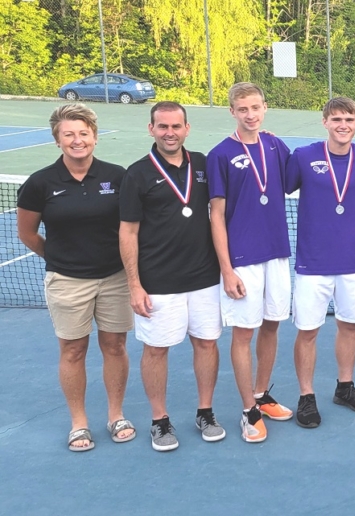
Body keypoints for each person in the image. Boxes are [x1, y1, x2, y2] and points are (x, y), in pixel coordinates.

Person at [16, 103, 134, 451]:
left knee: (115, 346)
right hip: (67, 282)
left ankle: (116, 415)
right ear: (57, 140)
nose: (77, 140)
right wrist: (61, 259)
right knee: (72, 351)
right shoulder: (40, 183)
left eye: (83, 133)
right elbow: (28, 233)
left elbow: (130, 228)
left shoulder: (118, 176)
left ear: (95, 138)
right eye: (68, 134)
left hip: (115, 278)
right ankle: (79, 423)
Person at [119, 101, 224, 451]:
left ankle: (205, 412)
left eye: (176, 126)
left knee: (207, 344)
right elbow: (128, 232)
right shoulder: (137, 173)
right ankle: (160, 420)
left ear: (187, 128)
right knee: (156, 350)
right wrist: (134, 284)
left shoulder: (205, 164)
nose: (170, 133)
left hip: (205, 277)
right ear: (151, 129)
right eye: (162, 126)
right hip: (158, 281)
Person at [208, 82, 294, 443]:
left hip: (276, 254)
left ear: (265, 107)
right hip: (242, 260)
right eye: (242, 109)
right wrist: (227, 269)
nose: (250, 114)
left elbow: (301, 175)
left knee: (272, 324)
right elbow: (216, 214)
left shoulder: (275, 145)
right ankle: (248, 410)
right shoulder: (220, 154)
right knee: (243, 334)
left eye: (255, 107)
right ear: (232, 112)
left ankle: (261, 394)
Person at [286, 97, 355, 428]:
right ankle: (306, 396)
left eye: (349, 120)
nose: (343, 125)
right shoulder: (304, 157)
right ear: (324, 121)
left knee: (349, 326)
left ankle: (345, 387)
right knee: (308, 331)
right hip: (312, 264)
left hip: (353, 263)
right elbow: (275, 185)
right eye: (336, 119)